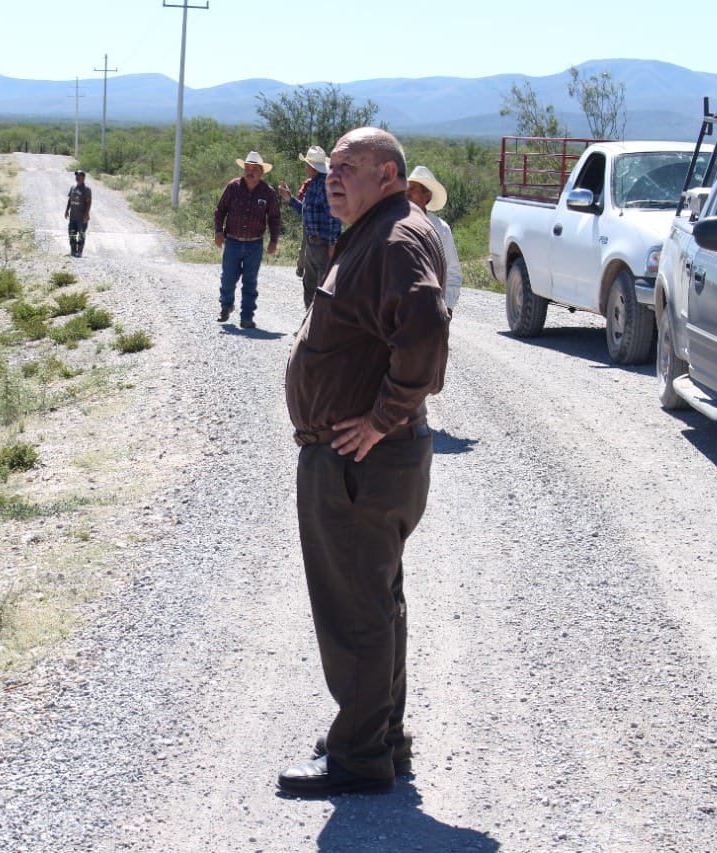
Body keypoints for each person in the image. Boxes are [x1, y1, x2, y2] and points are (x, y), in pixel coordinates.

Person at [278, 128, 450, 797]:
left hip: (359, 462)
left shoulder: (396, 235)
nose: (332, 177)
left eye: (347, 168)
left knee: (354, 610)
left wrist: (383, 416)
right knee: (376, 604)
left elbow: (427, 325)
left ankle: (357, 756)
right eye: (330, 169)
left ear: (388, 173)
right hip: (368, 463)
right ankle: (379, 737)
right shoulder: (384, 229)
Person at [213, 151, 281, 329]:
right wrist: (218, 232)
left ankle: (247, 317)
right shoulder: (233, 187)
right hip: (233, 241)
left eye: (254, 169)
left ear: (261, 172)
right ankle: (226, 307)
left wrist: (273, 241)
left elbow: (274, 218)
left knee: (250, 282)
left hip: (255, 244)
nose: (250, 172)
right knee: (228, 278)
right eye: (247, 168)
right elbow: (220, 210)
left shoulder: (268, 193)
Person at [278, 146, 341, 309]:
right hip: (313, 243)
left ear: (312, 167)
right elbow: (306, 212)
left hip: (322, 244)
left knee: (321, 287)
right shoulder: (314, 185)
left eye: (307, 164)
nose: (305, 167)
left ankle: (319, 327)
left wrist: (333, 242)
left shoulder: (325, 186)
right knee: (310, 285)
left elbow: (334, 214)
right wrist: (290, 199)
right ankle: (310, 325)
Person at [406, 165, 462, 310]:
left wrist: (447, 307)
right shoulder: (394, 224)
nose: (408, 193)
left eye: (413, 189)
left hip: (429, 309)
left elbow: (452, 272)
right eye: (407, 188)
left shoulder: (441, 229)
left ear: (427, 196)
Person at [64, 170, 92, 257]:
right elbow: (70, 200)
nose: (77, 177)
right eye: (76, 176)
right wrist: (66, 210)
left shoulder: (86, 190)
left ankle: (79, 252)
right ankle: (73, 251)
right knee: (72, 233)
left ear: (83, 178)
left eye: (79, 176)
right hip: (73, 217)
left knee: (81, 235)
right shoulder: (73, 188)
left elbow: (89, 202)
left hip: (81, 218)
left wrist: (86, 214)